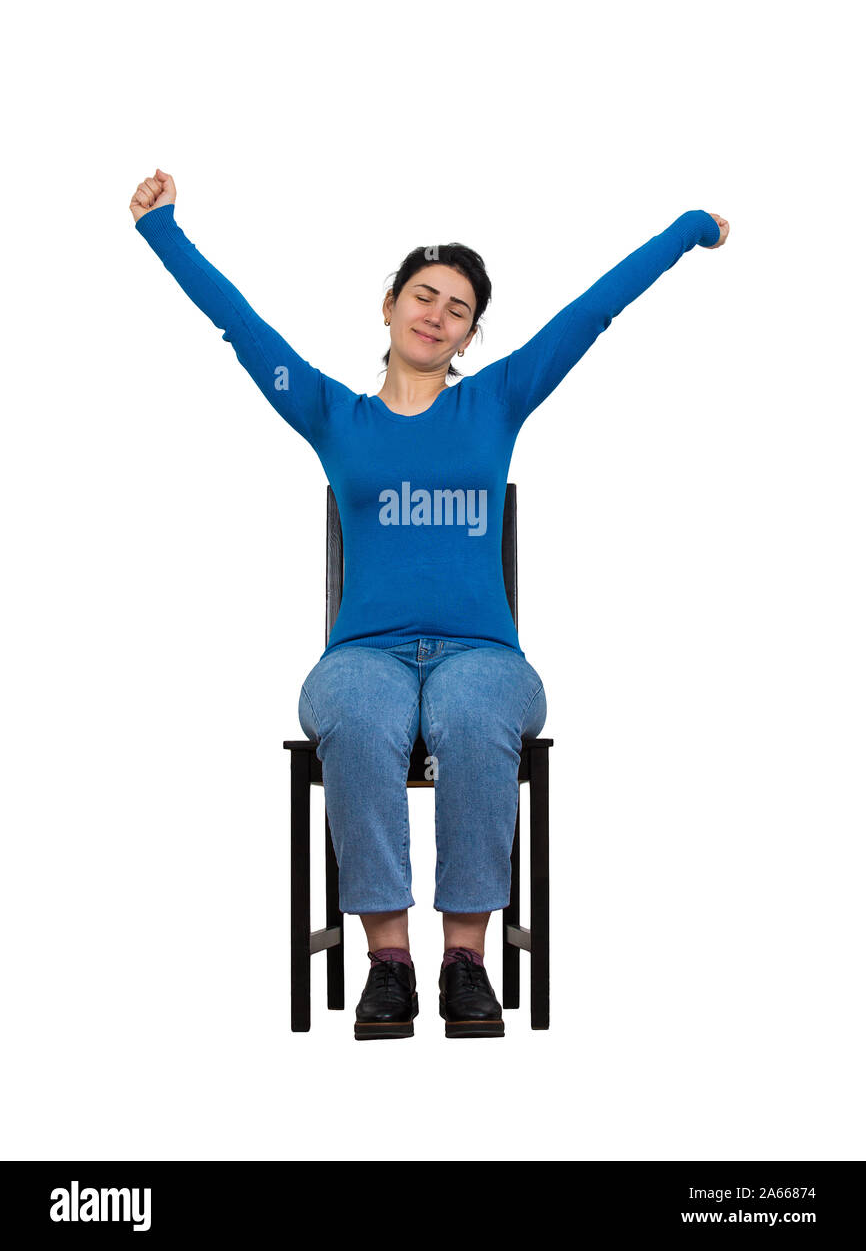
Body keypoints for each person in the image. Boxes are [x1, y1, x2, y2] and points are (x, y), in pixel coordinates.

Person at [130, 169, 729, 1040]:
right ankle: (388, 965)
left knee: (470, 705)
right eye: (424, 295)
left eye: (458, 308)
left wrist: (687, 229)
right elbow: (241, 328)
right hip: (363, 654)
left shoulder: (499, 400)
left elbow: (594, 311)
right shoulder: (334, 415)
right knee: (357, 708)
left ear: (470, 335)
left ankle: (465, 963)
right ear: (389, 305)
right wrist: (162, 232)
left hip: (483, 656)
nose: (437, 313)